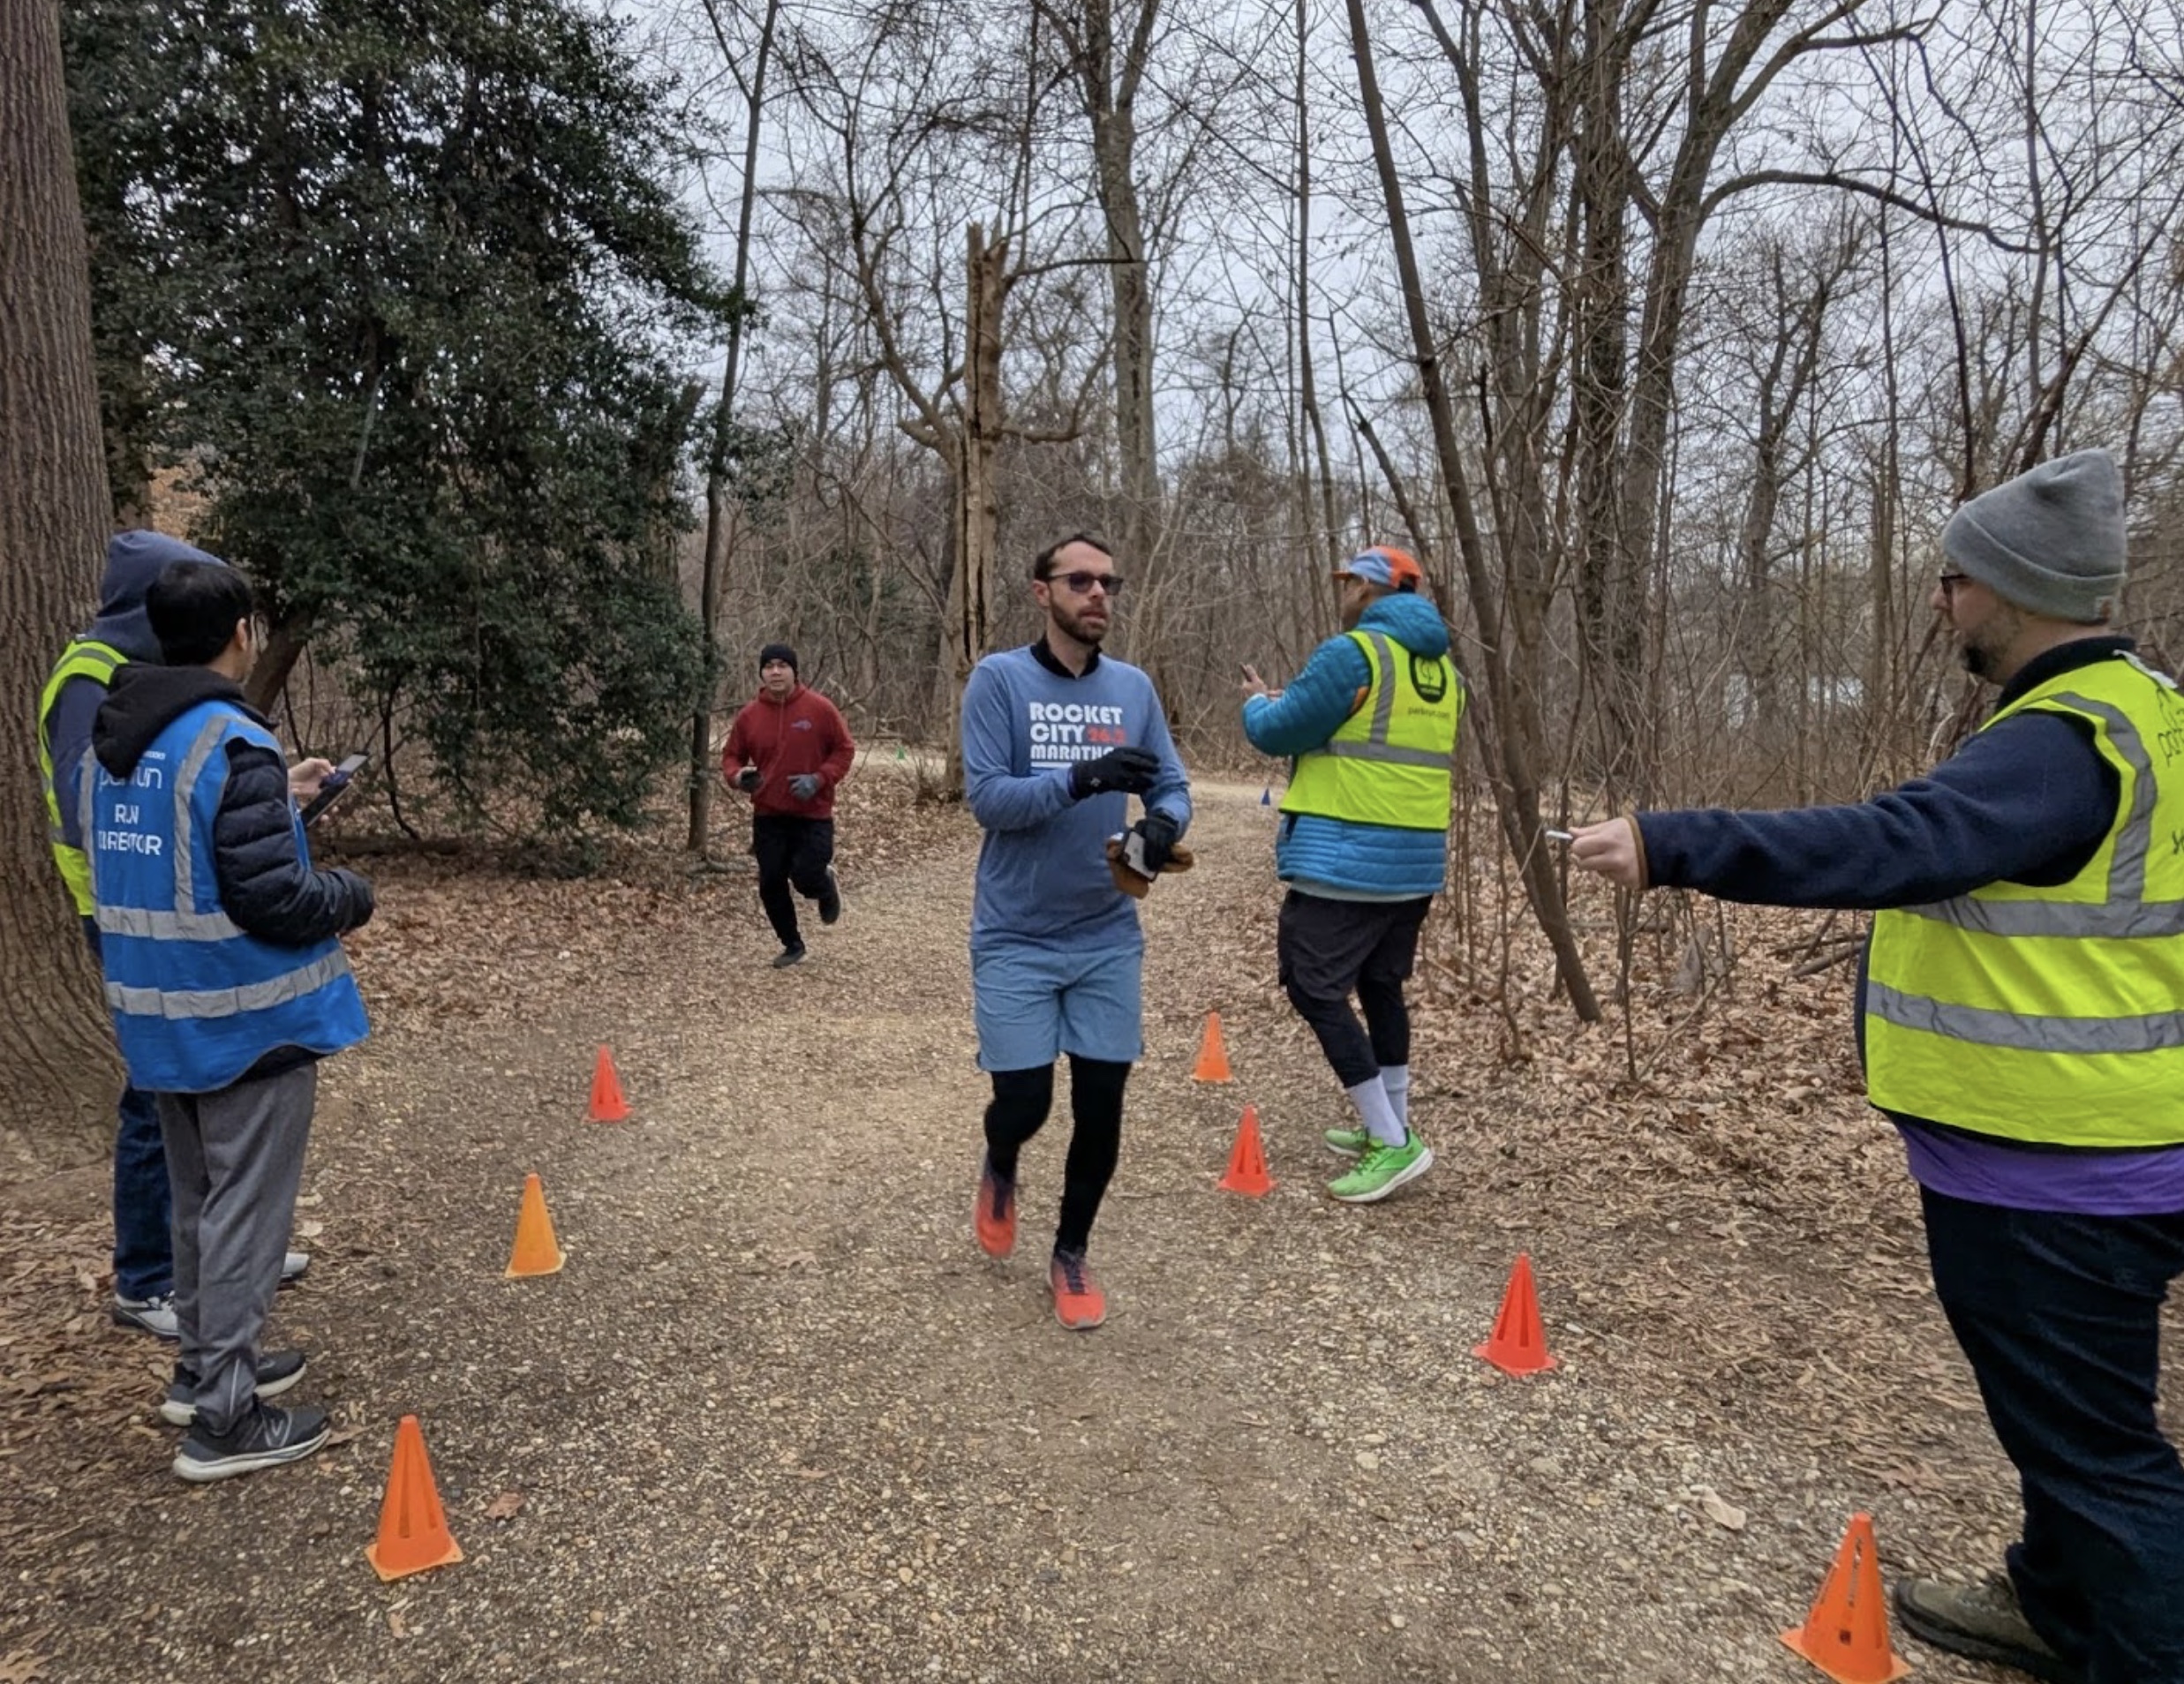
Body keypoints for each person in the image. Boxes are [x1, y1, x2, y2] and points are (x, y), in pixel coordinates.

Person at [1570, 449, 2183, 1684]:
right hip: (2105, 1144)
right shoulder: (2149, 710)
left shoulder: (2058, 744)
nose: (1941, 603)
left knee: (2096, 1451)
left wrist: (1669, 841)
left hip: (2058, 1164)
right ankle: (2054, 1603)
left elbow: (1895, 841)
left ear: (2008, 592)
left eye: (1952, 580)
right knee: (2063, 1422)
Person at [89, 558, 374, 1481]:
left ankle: (204, 1368)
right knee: (247, 1213)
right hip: (246, 1018)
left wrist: (279, 796)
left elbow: (183, 846)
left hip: (157, 1017)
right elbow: (273, 898)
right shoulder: (227, 741)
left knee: (198, 1205)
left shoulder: (121, 739)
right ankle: (226, 1420)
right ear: (240, 633)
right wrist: (348, 894)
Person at [36, 531, 312, 1340]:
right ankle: (153, 1275)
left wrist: (268, 797)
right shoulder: (95, 681)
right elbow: (110, 808)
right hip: (128, 915)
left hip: (158, 908)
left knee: (196, 1094)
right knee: (163, 1096)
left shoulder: (150, 683)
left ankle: (230, 1259)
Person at [960, 533, 1191, 1329]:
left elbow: (1172, 780)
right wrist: (1081, 778)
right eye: (1081, 580)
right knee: (1023, 1102)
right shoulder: (999, 680)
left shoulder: (1133, 688)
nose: (1099, 593)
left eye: (1108, 581)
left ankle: (1070, 1254)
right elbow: (989, 800)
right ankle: (1001, 1159)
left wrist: (1163, 824)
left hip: (1105, 934)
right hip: (1016, 934)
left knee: (1102, 1108)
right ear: (1042, 592)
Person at [1240, 545, 1463, 1205]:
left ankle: (1391, 1143)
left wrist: (1257, 703)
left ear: (1369, 589)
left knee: (1313, 989)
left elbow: (1278, 732)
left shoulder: (1354, 653)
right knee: (1381, 985)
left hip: (1344, 860)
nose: (1342, 593)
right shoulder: (1442, 671)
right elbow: (1374, 740)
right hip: (1413, 863)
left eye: (1348, 582)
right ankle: (1391, 1124)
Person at [722, 643, 855, 967]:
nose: (776, 672)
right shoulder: (749, 716)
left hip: (813, 814)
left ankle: (824, 887)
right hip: (768, 814)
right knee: (770, 882)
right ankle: (792, 944)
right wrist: (739, 776)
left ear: (795, 671)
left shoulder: (820, 709)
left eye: (783, 665)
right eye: (769, 666)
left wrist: (820, 778)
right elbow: (730, 757)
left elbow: (844, 749)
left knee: (806, 876)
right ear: (762, 673)